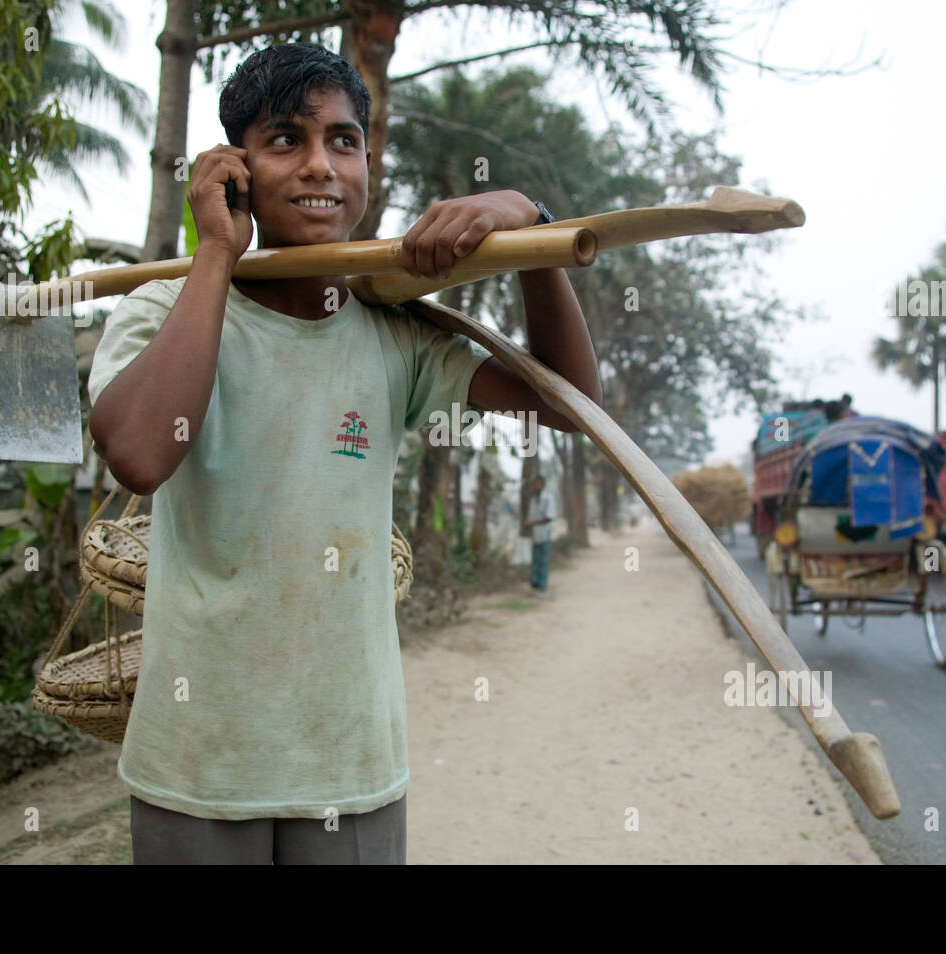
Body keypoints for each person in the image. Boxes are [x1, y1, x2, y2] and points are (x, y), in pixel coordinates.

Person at [86, 43, 600, 864]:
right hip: (198, 757)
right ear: (235, 169)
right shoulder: (163, 308)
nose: (321, 165)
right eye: (286, 139)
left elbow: (569, 404)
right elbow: (142, 456)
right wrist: (217, 251)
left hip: (349, 756)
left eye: (344, 140)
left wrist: (532, 227)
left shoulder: (394, 334)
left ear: (368, 159)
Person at [522, 475, 556, 597]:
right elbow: (531, 516)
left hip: (544, 534)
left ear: (542, 485)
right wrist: (527, 527)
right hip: (535, 536)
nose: (535, 487)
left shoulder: (548, 498)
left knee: (543, 561)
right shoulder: (533, 500)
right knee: (535, 561)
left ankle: (543, 587)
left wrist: (531, 523)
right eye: (534, 484)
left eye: (537, 484)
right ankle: (535, 586)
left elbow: (549, 517)